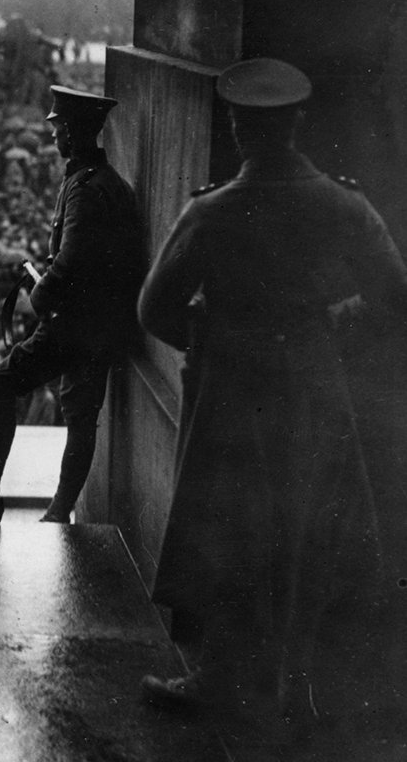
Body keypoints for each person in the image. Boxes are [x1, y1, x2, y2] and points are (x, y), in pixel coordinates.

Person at [136, 59, 407, 733]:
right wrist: (337, 327)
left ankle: (220, 680)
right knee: (313, 531)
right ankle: (298, 686)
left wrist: (206, 338)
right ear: (297, 124)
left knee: (231, 534)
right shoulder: (346, 205)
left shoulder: (212, 211)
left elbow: (154, 308)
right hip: (317, 385)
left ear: (238, 129)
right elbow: (395, 299)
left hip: (233, 389)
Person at [0, 85, 142, 528]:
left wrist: (39, 294)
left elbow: (68, 266)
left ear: (70, 131)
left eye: (58, 127)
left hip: (73, 325)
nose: (53, 135)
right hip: (100, 326)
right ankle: (56, 511)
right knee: (80, 415)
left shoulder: (85, 188)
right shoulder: (104, 181)